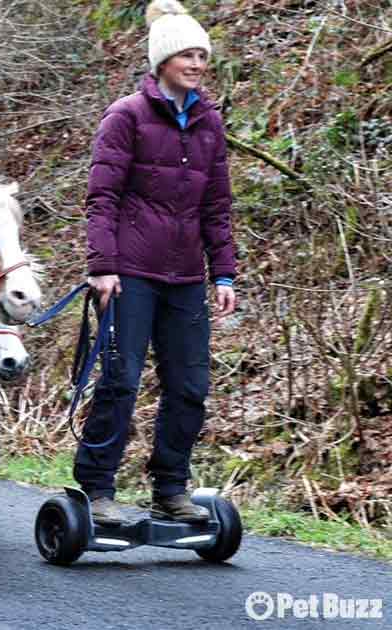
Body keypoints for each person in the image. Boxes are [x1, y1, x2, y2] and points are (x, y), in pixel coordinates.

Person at [79, 0, 238, 525]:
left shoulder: (210, 122)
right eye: (187, 55)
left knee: (190, 386)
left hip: (187, 277)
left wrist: (223, 272)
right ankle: (97, 488)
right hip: (130, 275)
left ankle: (171, 487)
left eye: (202, 55)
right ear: (162, 62)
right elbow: (102, 198)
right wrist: (102, 266)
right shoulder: (126, 116)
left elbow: (216, 204)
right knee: (120, 380)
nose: (196, 64)